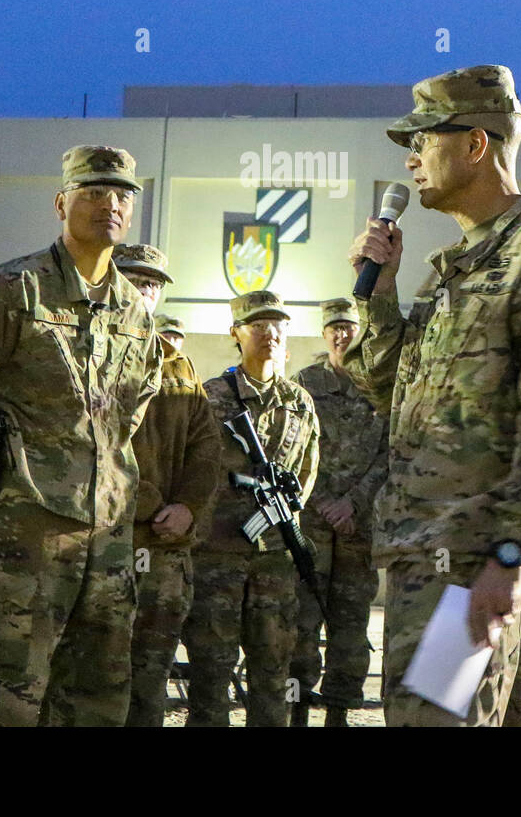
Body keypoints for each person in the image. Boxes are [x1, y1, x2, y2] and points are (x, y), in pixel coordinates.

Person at [343, 64, 521, 726]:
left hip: (475, 567)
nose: (410, 160)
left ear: (475, 145)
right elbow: (396, 397)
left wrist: (507, 553)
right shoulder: (451, 269)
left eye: (422, 141)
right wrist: (380, 303)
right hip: (428, 560)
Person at [0, 147, 162, 726]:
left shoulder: (135, 310)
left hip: (109, 536)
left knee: (98, 694)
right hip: (25, 531)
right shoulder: (14, 289)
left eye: (121, 195)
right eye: (92, 192)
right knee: (5, 694)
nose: (108, 205)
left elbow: (130, 416)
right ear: (61, 202)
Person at [182, 290, 319, 727]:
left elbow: (308, 471)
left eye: (278, 325)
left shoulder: (299, 402)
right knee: (211, 671)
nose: (270, 334)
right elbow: (190, 467)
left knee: (273, 672)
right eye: (258, 325)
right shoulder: (209, 397)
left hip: (274, 558)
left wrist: (285, 510)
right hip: (216, 554)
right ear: (235, 334)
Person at [112, 244, 221, 728]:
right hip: (102, 544)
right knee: (90, 672)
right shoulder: (88, 347)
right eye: (135, 281)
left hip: (164, 547)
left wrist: (188, 508)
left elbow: (206, 449)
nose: (145, 291)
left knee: (150, 678)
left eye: (153, 284)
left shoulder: (178, 366)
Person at [291, 297, 388, 727]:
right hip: (311, 521)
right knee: (302, 615)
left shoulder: (381, 385)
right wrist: (319, 502)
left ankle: (339, 710)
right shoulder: (304, 384)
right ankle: (296, 705)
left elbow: (390, 454)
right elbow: (289, 450)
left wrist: (352, 503)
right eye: (334, 327)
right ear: (324, 333)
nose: (342, 333)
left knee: (351, 621)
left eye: (349, 326)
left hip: (358, 523)